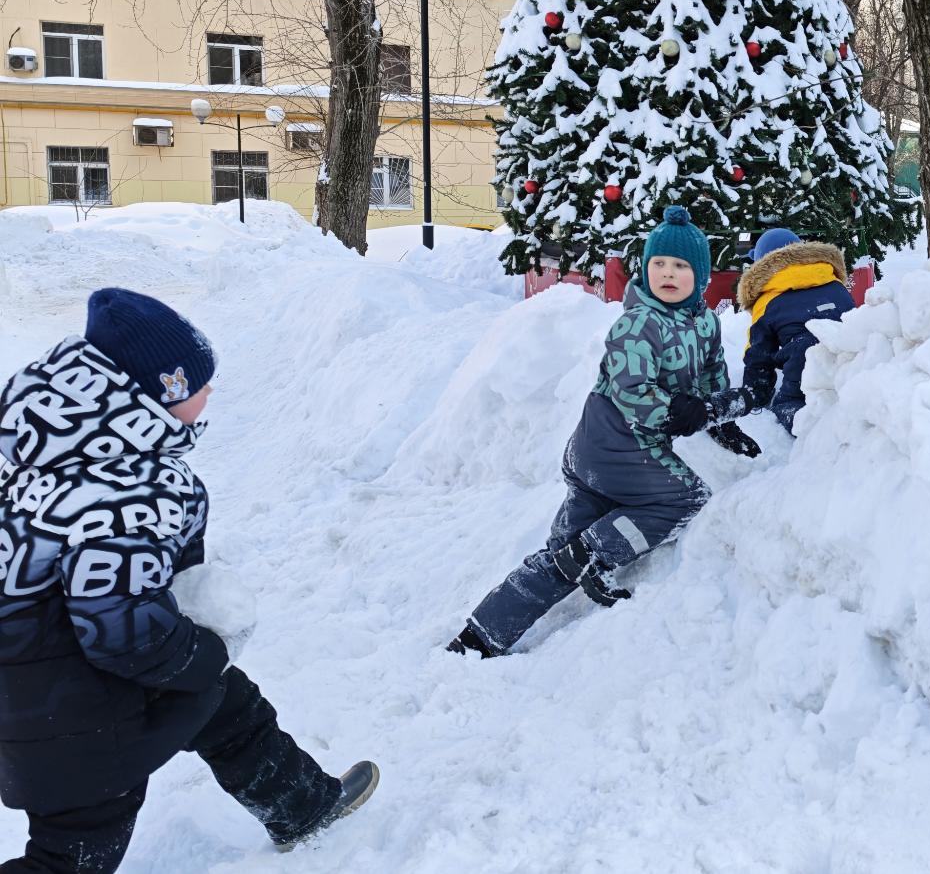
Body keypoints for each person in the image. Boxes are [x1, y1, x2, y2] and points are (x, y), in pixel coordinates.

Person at [0, 289, 376, 872]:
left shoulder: (56, 443)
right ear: (157, 396)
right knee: (73, 853)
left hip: (41, 673)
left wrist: (204, 665)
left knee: (224, 698)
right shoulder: (128, 489)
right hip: (67, 705)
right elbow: (122, 633)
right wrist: (204, 650)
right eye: (199, 384)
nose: (210, 393)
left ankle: (303, 804)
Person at [448, 207, 747, 658]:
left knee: (560, 555)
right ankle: (598, 551)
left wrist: (720, 421)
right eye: (658, 264)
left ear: (700, 275)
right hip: (616, 442)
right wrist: (675, 414)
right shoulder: (638, 323)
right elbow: (631, 390)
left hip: (608, 453)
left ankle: (480, 635)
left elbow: (710, 374)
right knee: (684, 498)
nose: (667, 273)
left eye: (681, 266)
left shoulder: (703, 322)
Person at [736, 228, 854, 434]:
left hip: (804, 366)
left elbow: (758, 355)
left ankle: (819, 437)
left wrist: (755, 393)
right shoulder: (835, 283)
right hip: (851, 362)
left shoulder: (767, 300)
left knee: (789, 407)